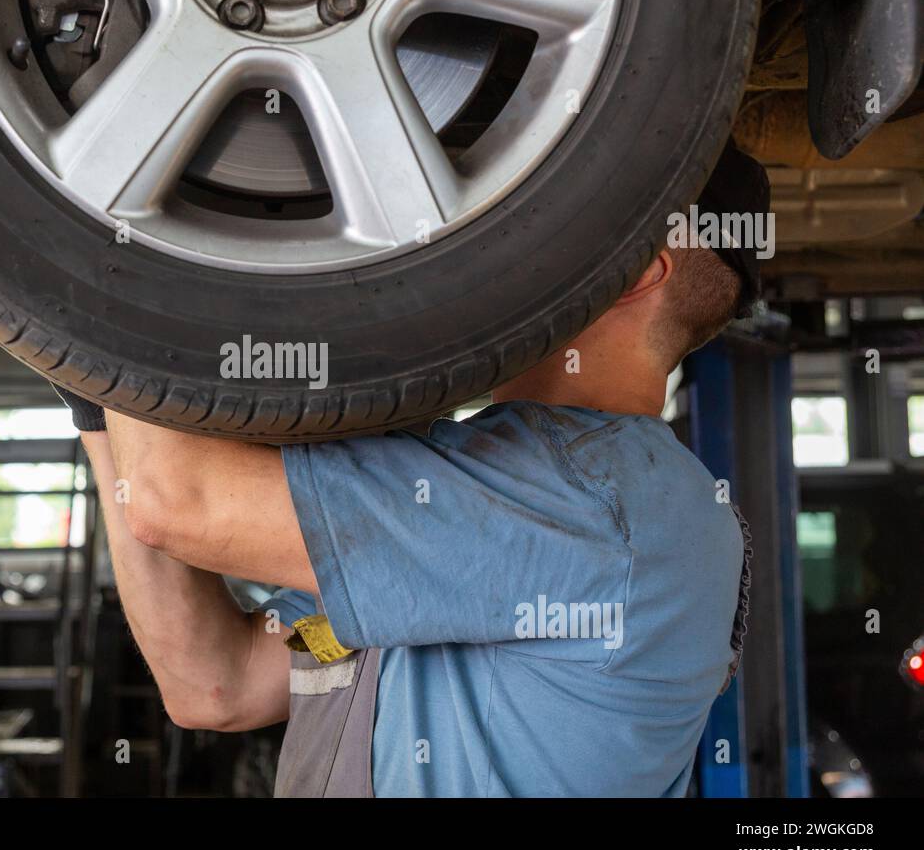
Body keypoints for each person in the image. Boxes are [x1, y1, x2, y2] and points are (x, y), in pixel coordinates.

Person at [58, 142, 767, 797]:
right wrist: (101, 414)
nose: (523, 250)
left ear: (633, 274)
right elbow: (218, 682)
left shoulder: (591, 498)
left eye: (561, 228)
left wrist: (124, 202)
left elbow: (178, 501)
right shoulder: (520, 490)